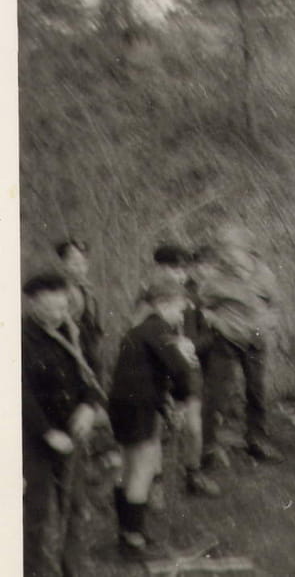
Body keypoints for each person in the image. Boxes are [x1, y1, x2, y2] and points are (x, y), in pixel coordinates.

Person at [108, 282, 217, 561]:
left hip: (123, 406)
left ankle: (127, 534)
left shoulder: (138, 330)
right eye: (180, 308)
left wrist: (165, 402)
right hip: (139, 408)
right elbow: (182, 369)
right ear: (164, 304)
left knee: (128, 468)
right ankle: (133, 541)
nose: (181, 315)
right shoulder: (160, 331)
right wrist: (185, 367)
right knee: (142, 470)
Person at [22, 272, 104, 576]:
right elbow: (19, 394)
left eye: (63, 306)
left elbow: (92, 373)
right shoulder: (17, 337)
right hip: (33, 439)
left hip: (73, 432)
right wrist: (46, 433)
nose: (60, 314)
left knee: (77, 507)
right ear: (31, 304)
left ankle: (75, 569)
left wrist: (87, 406)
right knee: (38, 514)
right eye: (51, 309)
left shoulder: (71, 330)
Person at [196, 230, 284, 465]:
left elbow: (275, 304)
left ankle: (258, 442)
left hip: (256, 340)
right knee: (216, 394)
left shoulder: (264, 273)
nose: (226, 258)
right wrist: (214, 320)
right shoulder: (215, 278)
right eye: (222, 253)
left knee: (256, 392)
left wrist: (266, 325)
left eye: (230, 251)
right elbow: (201, 305)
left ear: (245, 249)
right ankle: (209, 449)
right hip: (226, 340)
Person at [55, 238, 104, 381]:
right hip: (71, 343)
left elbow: (95, 319)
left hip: (90, 343)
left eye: (83, 263)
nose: (80, 268)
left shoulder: (88, 289)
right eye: (75, 263)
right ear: (63, 265)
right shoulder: (60, 289)